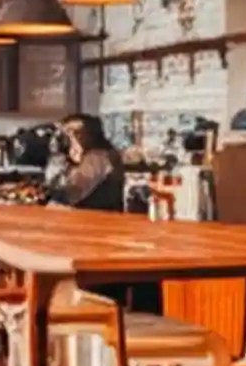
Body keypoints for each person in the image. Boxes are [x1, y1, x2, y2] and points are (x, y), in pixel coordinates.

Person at [48, 113, 161, 313]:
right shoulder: (91, 157)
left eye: (73, 133)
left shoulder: (99, 158)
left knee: (99, 295)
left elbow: (71, 192)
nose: (67, 139)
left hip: (99, 235)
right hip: (94, 234)